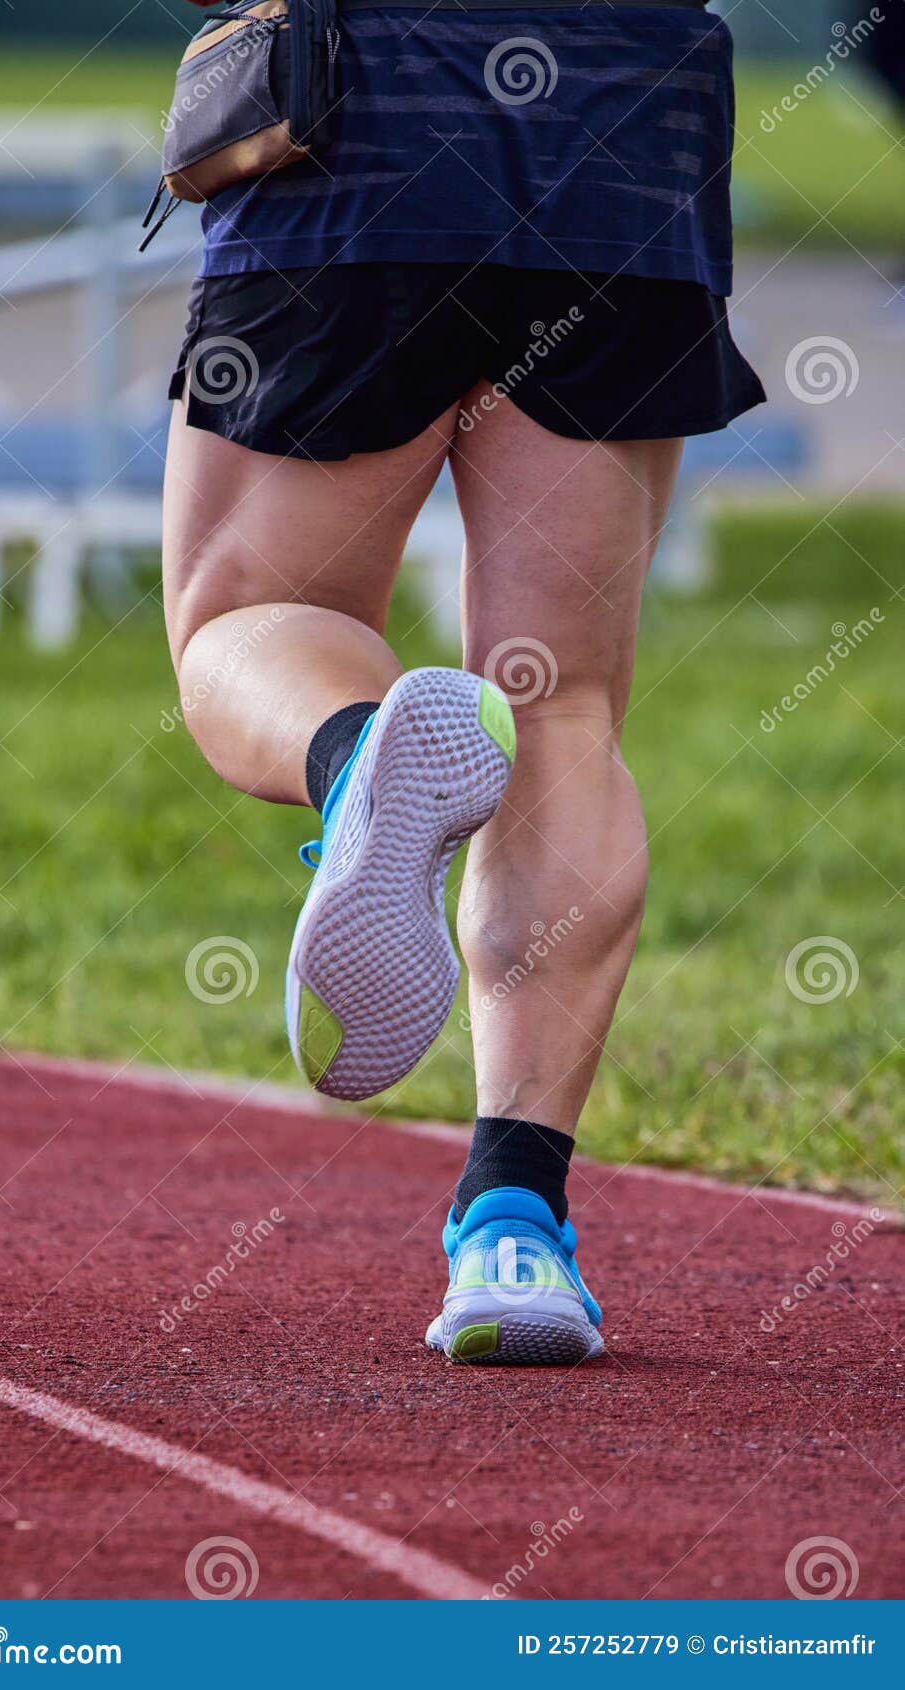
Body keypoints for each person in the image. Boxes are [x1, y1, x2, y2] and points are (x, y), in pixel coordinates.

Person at [161, 0, 765, 1366]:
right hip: (627, 128)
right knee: (558, 703)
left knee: (250, 615)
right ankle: (516, 1227)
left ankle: (360, 754)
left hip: (362, 119)